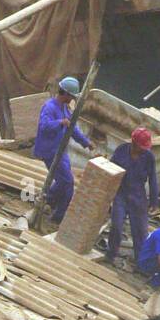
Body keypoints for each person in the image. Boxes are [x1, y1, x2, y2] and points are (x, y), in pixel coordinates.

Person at [33, 76, 92, 222]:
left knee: (63, 181)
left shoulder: (65, 108)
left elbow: (72, 128)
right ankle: (58, 217)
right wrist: (60, 122)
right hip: (50, 151)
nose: (72, 99)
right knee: (67, 183)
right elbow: (44, 127)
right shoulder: (49, 107)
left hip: (61, 150)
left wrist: (86, 142)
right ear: (65, 94)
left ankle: (49, 201)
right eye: (71, 96)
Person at [105, 127, 159, 263]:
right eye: (142, 147)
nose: (144, 149)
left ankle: (140, 261)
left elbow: (153, 178)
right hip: (120, 194)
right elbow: (110, 169)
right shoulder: (121, 150)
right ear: (134, 143)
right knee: (116, 226)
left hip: (138, 197)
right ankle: (110, 254)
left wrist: (154, 200)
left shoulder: (149, 157)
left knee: (140, 232)